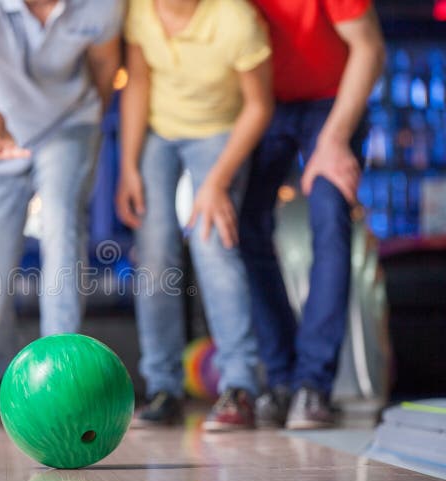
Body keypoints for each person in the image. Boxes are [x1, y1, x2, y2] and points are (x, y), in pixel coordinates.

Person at [0, 0, 124, 423]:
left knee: (63, 223)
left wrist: (89, 126)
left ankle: (62, 378)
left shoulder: (103, 4)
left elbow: (104, 66)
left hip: (68, 124)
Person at [117, 0, 274, 430]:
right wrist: (129, 164)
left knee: (212, 241)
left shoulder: (235, 20)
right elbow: (137, 83)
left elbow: (260, 106)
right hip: (159, 133)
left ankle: (240, 386)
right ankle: (163, 387)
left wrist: (217, 181)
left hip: (220, 132)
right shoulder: (140, 10)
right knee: (153, 251)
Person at [239, 0, 385, 429]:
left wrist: (334, 139)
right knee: (243, 222)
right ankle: (281, 380)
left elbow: (370, 49)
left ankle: (312, 385)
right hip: (264, 103)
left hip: (333, 100)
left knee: (330, 216)